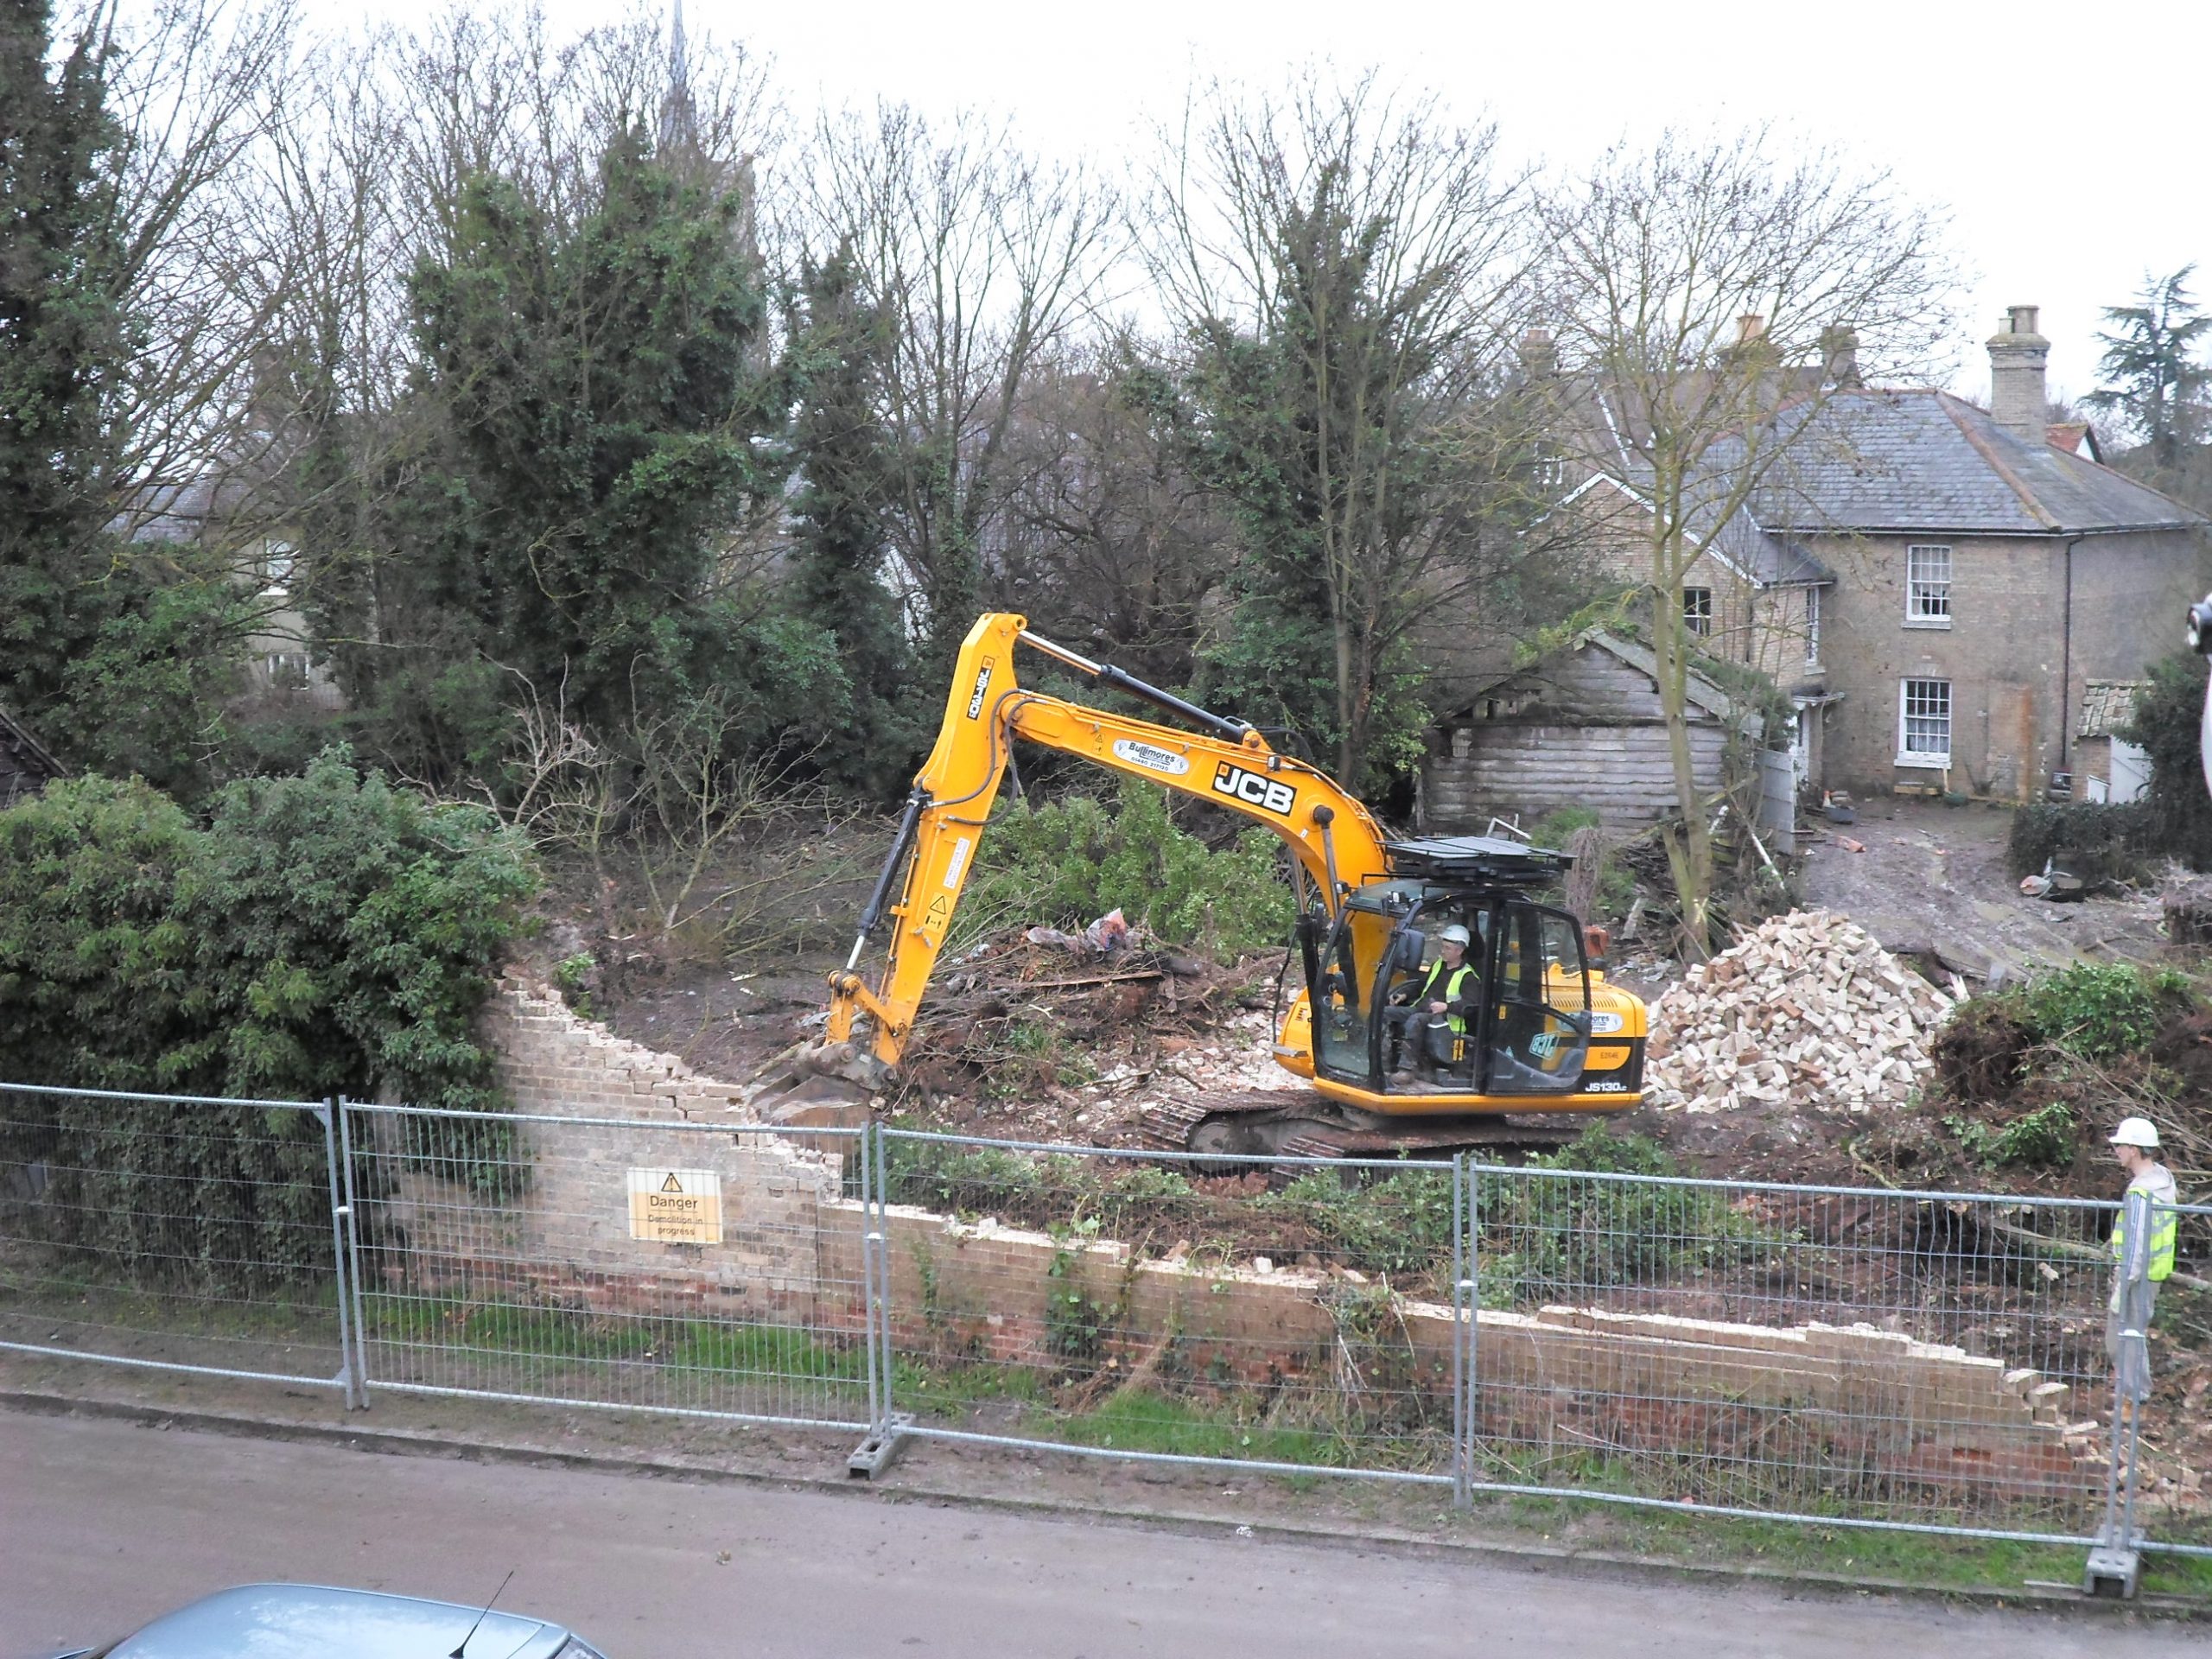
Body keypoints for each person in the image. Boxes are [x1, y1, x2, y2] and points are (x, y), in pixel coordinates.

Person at [2107, 1116, 2179, 1412]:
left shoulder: (2141, 1193)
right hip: (2152, 1275)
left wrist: (2123, 1286)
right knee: (2132, 1334)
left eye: (2120, 1146)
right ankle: (2137, 1394)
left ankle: (2133, 1401)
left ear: (2134, 1149)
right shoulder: (2162, 1178)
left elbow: (2137, 1246)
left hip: (2136, 1276)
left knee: (2120, 1339)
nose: (2117, 1151)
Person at [1388, 924, 1478, 1079]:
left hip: (1443, 1021)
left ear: (1459, 951)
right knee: (1385, 1013)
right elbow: (1421, 985)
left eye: (1447, 948)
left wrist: (1446, 1007)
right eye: (1443, 947)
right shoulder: (1438, 965)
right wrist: (1404, 994)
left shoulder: (1468, 977)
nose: (1442, 951)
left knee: (1415, 1021)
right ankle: (1383, 1062)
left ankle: (1407, 1070)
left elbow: (1471, 1006)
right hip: (1420, 1009)